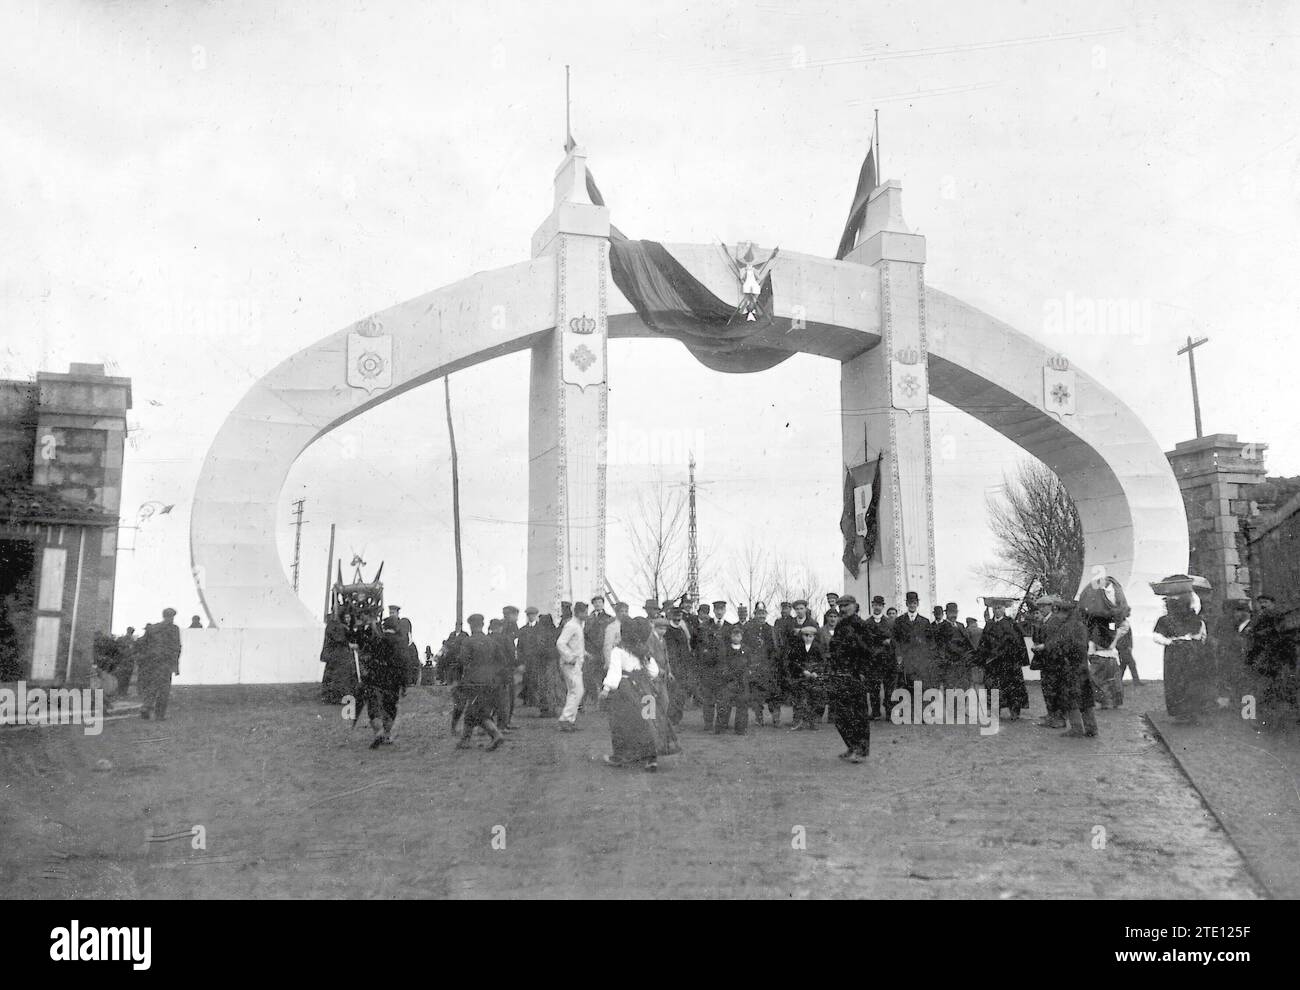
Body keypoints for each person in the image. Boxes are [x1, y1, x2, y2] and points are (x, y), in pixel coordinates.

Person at [600, 636, 670, 771]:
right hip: (644, 687)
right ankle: (651, 758)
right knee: (648, 720)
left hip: (626, 689)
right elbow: (654, 671)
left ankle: (620, 756)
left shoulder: (618, 650)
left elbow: (614, 673)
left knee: (621, 722)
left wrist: (606, 689)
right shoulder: (644, 649)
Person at [1153, 576, 1212, 725]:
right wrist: (1172, 642)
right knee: (1177, 682)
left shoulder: (1194, 618)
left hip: (1189, 652)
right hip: (1176, 653)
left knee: (1191, 681)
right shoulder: (1165, 620)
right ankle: (1182, 712)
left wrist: (1190, 641)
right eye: (1173, 603)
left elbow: (1201, 634)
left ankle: (1191, 712)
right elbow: (1156, 636)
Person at [827, 595, 872, 762]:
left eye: (846, 605)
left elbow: (868, 652)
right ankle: (851, 746)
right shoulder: (840, 626)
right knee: (840, 715)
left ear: (855, 605)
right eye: (841, 606)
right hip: (839, 674)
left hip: (855, 675)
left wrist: (862, 672)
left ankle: (862, 751)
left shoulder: (861, 625)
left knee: (858, 714)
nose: (843, 609)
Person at [455, 614, 507, 750]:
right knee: (473, 710)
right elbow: (502, 662)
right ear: (483, 625)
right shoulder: (491, 642)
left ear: (471, 626)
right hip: (490, 682)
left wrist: (458, 679)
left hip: (474, 682)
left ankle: (496, 734)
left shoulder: (468, 641)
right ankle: (465, 740)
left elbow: (462, 661)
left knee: (478, 712)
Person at [974, 597, 1030, 719]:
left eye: (999, 608)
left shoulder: (1011, 623)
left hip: (1008, 663)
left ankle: (1014, 711)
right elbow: (983, 643)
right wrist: (981, 658)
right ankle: (995, 711)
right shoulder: (989, 625)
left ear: (1004, 609)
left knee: (1012, 687)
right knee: (993, 687)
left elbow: (1018, 642)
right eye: (995, 608)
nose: (997, 610)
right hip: (992, 663)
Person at [359, 622, 408, 749]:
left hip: (376, 678)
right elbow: (404, 664)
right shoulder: (401, 643)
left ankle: (378, 731)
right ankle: (387, 734)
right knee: (390, 708)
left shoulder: (378, 640)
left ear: (385, 628)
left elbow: (367, 657)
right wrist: (404, 684)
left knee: (374, 707)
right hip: (393, 681)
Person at [138, 608, 182, 720]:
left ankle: (146, 707)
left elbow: (142, 643)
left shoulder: (152, 628)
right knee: (164, 689)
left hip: (151, 662)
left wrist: (145, 659)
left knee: (152, 686)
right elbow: (176, 647)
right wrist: (175, 665)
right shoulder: (174, 629)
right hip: (165, 663)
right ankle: (159, 715)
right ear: (172, 617)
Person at [743, 602, 781, 726]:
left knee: (773, 693)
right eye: (758, 613)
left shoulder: (771, 629)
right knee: (757, 695)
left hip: (768, 666)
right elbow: (745, 647)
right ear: (754, 614)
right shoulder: (749, 629)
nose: (761, 616)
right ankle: (759, 717)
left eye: (763, 613)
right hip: (754, 667)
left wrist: (772, 663)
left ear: (766, 614)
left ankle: (776, 718)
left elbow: (775, 648)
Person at [713, 625, 752, 735]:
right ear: (730, 636)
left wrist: (747, 673)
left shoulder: (746, 650)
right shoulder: (725, 650)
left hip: (742, 681)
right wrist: (727, 675)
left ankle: (741, 729)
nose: (736, 638)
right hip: (729, 681)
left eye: (738, 635)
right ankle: (721, 727)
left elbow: (750, 664)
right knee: (724, 703)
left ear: (741, 637)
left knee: (742, 705)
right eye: (734, 635)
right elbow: (722, 664)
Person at [557, 602, 588, 731]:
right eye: (585, 612)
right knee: (577, 691)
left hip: (575, 663)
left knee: (574, 691)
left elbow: (575, 644)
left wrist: (584, 654)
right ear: (579, 612)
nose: (586, 615)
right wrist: (569, 657)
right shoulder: (571, 626)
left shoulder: (577, 625)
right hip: (570, 664)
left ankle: (569, 719)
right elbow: (560, 643)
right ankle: (566, 718)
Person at [892, 591, 933, 690]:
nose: (912, 605)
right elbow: (895, 640)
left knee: (920, 688)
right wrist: (898, 655)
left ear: (917, 604)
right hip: (906, 660)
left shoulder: (925, 621)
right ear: (906, 604)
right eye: (910, 603)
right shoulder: (899, 621)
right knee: (906, 688)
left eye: (914, 603)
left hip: (920, 661)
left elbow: (930, 642)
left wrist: (927, 658)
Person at [862, 596, 893, 720]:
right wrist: (881, 641)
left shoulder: (889, 623)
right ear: (872, 605)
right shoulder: (867, 623)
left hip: (886, 660)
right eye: (875, 605)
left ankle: (889, 713)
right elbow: (865, 641)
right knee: (874, 688)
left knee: (888, 687)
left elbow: (892, 640)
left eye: (880, 605)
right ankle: (875, 713)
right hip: (872, 661)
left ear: (882, 606)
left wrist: (886, 641)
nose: (877, 607)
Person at [664, 607, 694, 724]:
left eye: (679, 616)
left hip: (683, 666)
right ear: (671, 616)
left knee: (681, 693)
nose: (678, 618)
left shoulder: (682, 630)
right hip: (672, 666)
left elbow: (686, 648)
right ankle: (671, 717)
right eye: (676, 616)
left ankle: (677, 717)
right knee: (672, 693)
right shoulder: (668, 631)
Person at [319, 613, 358, 704]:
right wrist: (350, 645)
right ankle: (339, 696)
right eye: (346, 617)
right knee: (341, 676)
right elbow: (340, 639)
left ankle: (333, 696)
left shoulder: (335, 625)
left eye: (349, 617)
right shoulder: (337, 626)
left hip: (337, 655)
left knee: (336, 675)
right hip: (340, 655)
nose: (348, 619)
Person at [932, 602, 971, 689]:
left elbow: (967, 643)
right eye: (951, 613)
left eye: (955, 612)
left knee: (963, 690)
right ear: (946, 613)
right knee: (950, 692)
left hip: (962, 665)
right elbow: (939, 647)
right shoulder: (941, 627)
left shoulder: (961, 626)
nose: (954, 615)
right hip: (949, 665)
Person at [583, 595, 613, 709]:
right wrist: (586, 650)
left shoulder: (609, 618)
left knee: (604, 677)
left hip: (603, 651)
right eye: (595, 603)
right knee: (589, 677)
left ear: (603, 603)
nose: (598, 604)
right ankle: (592, 701)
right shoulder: (588, 619)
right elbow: (584, 635)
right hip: (591, 652)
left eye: (600, 602)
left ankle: (605, 704)